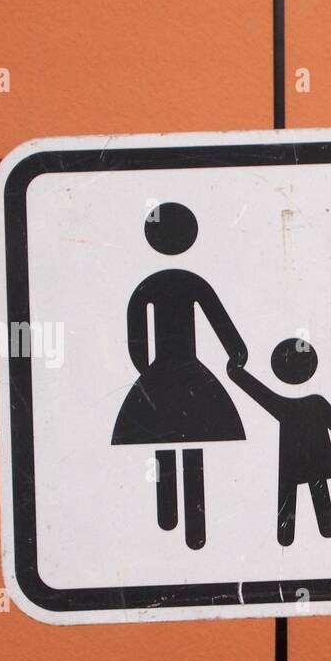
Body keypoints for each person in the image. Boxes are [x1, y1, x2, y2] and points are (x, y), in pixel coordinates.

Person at [111, 202, 247, 550]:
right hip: (185, 370)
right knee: (187, 446)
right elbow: (222, 326)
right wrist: (237, 354)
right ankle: (178, 525)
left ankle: (175, 520)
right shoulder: (188, 282)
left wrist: (148, 374)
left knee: (170, 442)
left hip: (166, 371)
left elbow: (136, 340)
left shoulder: (152, 285)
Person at [226, 339, 331, 546]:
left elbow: (259, 392)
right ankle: (313, 532)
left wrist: (235, 372)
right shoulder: (315, 402)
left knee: (294, 495)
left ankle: (290, 536)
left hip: (295, 460)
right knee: (316, 493)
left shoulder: (286, 406)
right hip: (314, 459)